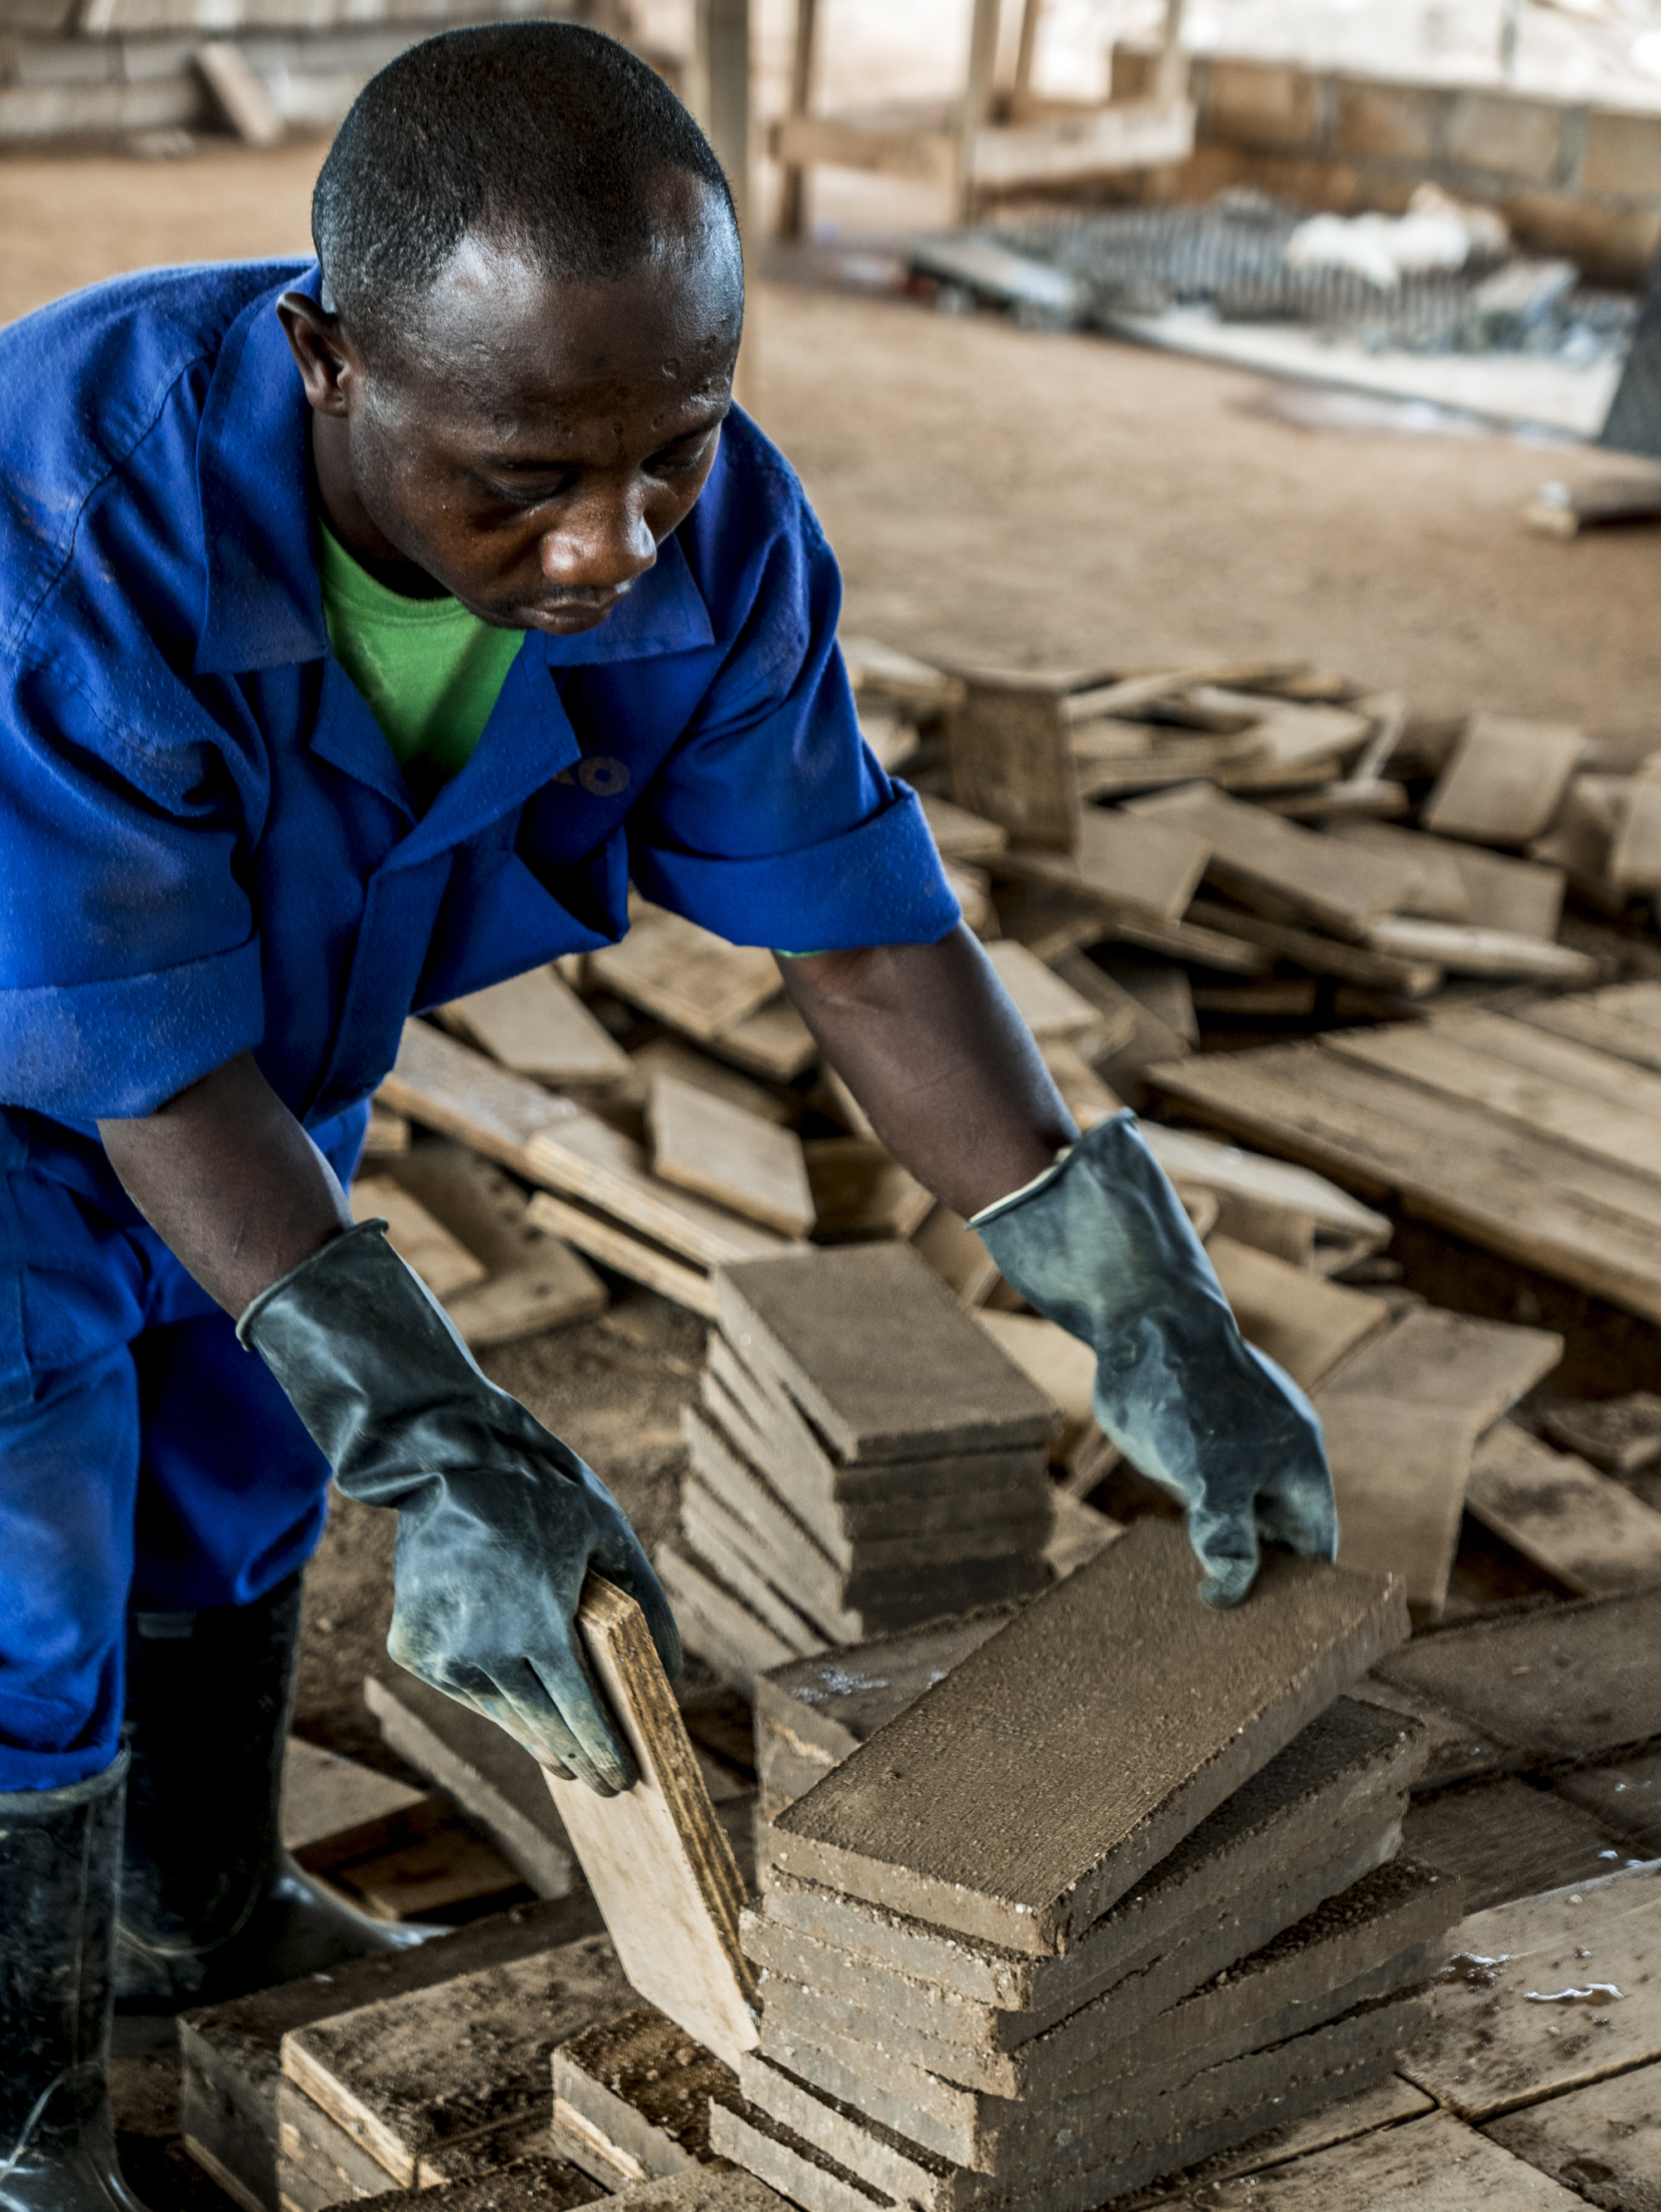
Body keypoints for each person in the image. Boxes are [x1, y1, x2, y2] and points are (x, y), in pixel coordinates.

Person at [0, 22, 1336, 2209]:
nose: (611, 543)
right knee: (27, 1555)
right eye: (522, 479)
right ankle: (25, 2127)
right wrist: (444, 1436)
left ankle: (193, 1934)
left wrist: (1134, 1291)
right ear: (329, 361)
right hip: (35, 1050)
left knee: (237, 1469)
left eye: (675, 454)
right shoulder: (72, 528)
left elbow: (862, 937)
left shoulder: (701, 526)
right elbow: (137, 1056)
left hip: (258, 1075)